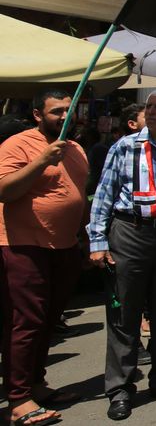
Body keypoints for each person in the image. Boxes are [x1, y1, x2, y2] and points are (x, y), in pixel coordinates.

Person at [88, 89, 156, 421]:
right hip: (130, 232)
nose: (150, 112)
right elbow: (104, 193)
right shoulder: (125, 146)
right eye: (148, 106)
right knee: (124, 312)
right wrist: (97, 240)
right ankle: (120, 388)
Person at [0, 91, 88, 425]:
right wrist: (41, 161)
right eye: (57, 111)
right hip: (24, 245)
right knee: (26, 322)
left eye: (70, 110)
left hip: (64, 246)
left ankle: (36, 384)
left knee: (49, 320)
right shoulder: (18, 144)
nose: (65, 116)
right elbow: (5, 190)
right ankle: (18, 399)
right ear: (38, 115)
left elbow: (77, 195)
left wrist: (85, 236)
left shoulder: (76, 148)